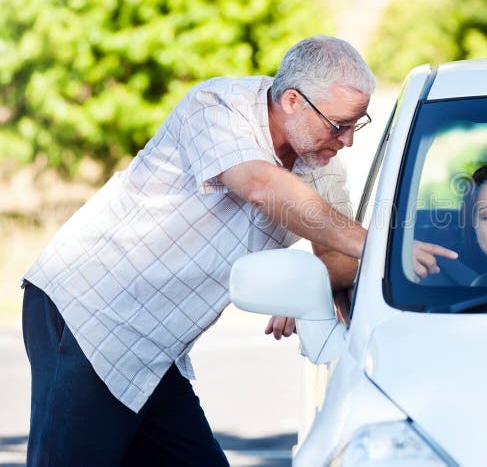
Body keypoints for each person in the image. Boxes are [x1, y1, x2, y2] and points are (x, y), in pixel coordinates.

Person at [20, 35, 454, 466]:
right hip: (90, 312)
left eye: (355, 125)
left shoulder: (321, 167)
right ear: (291, 102)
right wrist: (385, 245)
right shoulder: (215, 106)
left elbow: (337, 255)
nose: (347, 141)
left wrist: (309, 284)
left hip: (156, 347)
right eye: (338, 125)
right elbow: (263, 187)